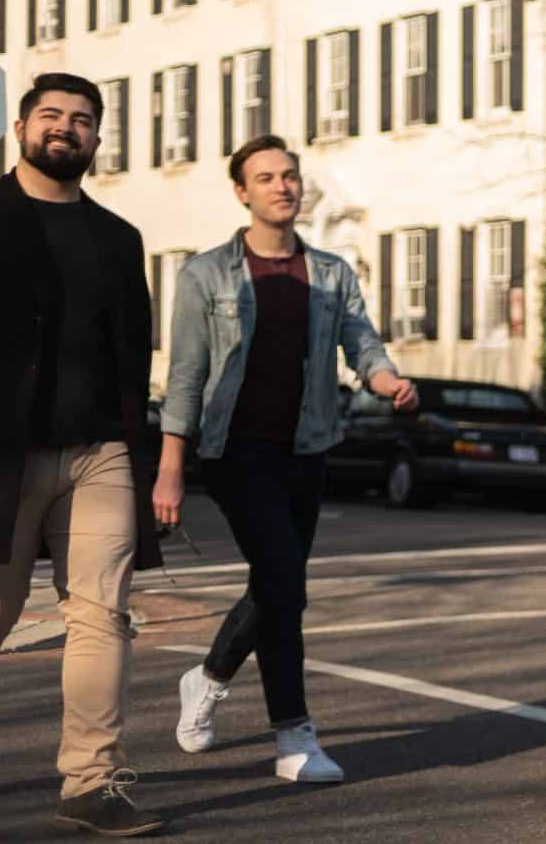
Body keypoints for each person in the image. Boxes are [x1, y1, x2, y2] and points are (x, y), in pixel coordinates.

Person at [0, 74, 167, 836]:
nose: (66, 128)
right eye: (51, 115)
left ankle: (91, 776)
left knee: (101, 613)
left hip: (99, 452)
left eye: (82, 120)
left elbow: (129, 353)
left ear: (96, 139)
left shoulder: (118, 238)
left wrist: (141, 456)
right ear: (19, 129)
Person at [156, 135, 418, 783]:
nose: (282, 185)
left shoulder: (330, 272)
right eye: (266, 177)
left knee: (276, 584)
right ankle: (295, 737)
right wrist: (169, 466)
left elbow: (363, 342)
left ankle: (210, 675)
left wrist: (385, 379)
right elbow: (185, 375)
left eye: (290, 175)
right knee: (284, 585)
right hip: (233, 452)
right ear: (242, 192)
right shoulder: (204, 275)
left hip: (306, 447)